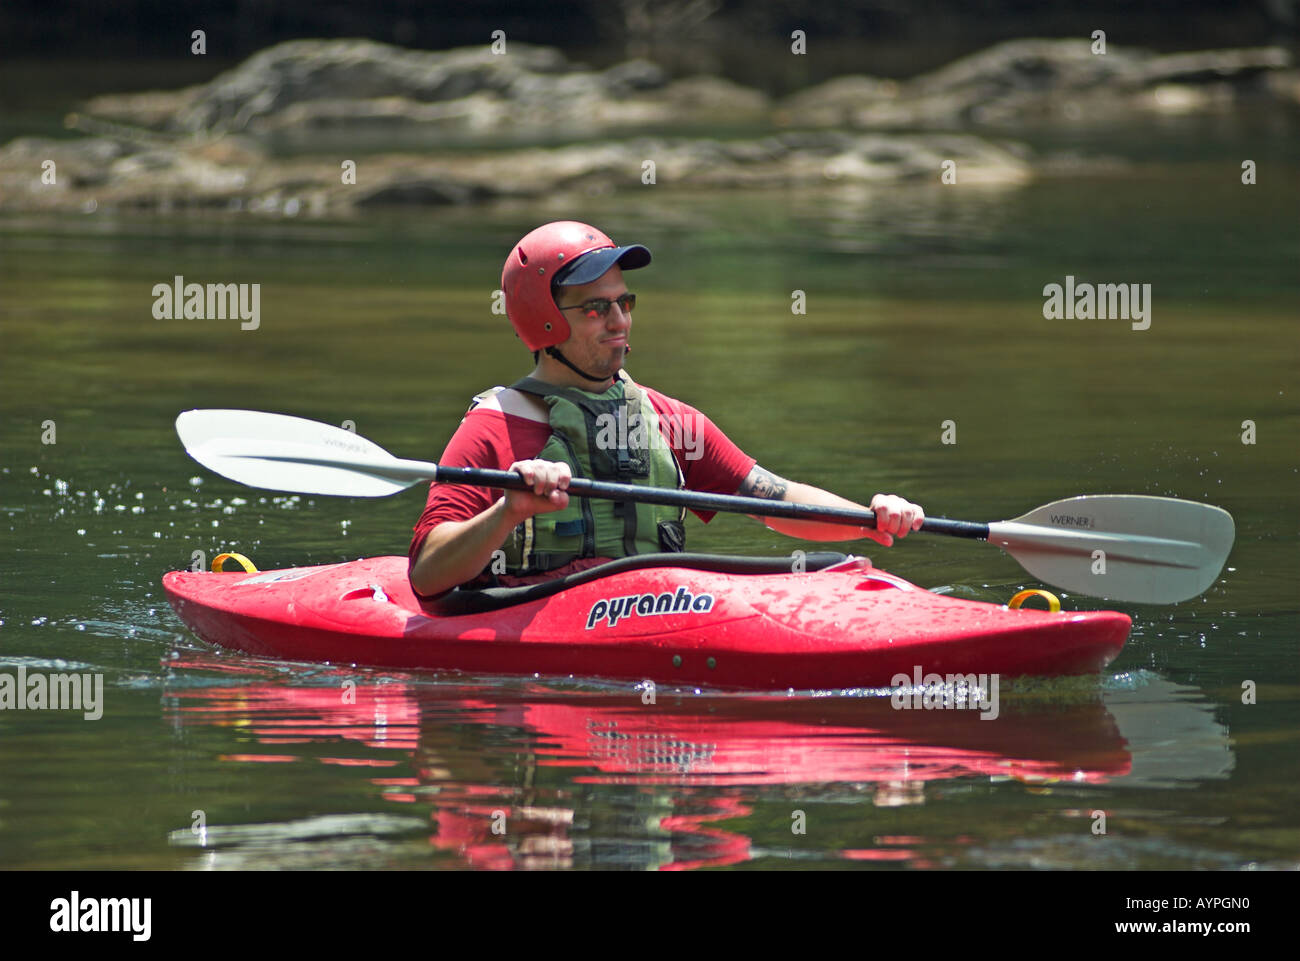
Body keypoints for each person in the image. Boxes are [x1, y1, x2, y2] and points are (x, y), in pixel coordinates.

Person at [408, 220, 924, 599]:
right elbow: (427, 572)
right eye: (596, 308)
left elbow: (776, 499)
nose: (619, 322)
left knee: (831, 565)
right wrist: (509, 509)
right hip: (532, 613)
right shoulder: (492, 429)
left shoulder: (669, 419)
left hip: (660, 609)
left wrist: (867, 517)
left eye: (624, 303)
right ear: (545, 323)